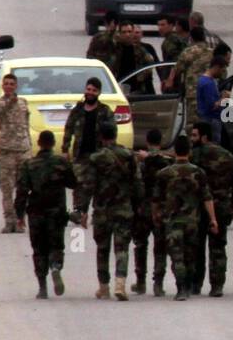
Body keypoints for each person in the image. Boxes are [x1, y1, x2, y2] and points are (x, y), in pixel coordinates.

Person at [72, 120, 142, 301]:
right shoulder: (128, 155)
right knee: (122, 248)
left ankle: (103, 287)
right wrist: (138, 206)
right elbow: (137, 184)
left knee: (102, 249)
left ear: (101, 137)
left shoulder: (96, 158)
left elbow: (88, 185)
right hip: (123, 208)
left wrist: (83, 210)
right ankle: (120, 284)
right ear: (116, 134)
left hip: (102, 210)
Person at [154, 135, 218, 302]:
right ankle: (188, 285)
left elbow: (156, 200)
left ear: (174, 151)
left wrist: (157, 217)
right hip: (192, 222)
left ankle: (181, 287)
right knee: (190, 255)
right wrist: (213, 219)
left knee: (177, 257)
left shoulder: (164, 174)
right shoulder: (198, 172)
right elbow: (207, 198)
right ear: (189, 152)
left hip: (173, 222)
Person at [15, 130, 76, 299]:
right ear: (53, 143)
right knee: (56, 246)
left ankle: (42, 287)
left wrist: (19, 216)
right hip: (56, 212)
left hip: (36, 212)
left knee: (39, 249)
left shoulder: (29, 165)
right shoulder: (61, 163)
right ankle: (56, 267)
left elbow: (21, 191)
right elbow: (73, 183)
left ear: (39, 143)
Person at [189, 121, 233, 297]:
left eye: (195, 135)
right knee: (218, 248)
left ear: (204, 137)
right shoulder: (226, 155)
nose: (192, 139)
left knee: (196, 249)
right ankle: (217, 285)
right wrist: (232, 204)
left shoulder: (193, 155)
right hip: (221, 208)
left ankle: (195, 285)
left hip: (197, 209)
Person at [133, 129, 174, 296]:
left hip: (143, 208)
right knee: (160, 247)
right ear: (161, 140)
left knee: (140, 245)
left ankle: (140, 282)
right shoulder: (167, 161)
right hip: (161, 209)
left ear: (147, 141)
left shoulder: (141, 161)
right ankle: (158, 284)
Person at [0, 72, 31, 233]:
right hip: (7, 150)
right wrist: (11, 101)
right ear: (2, 86)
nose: (8, 86)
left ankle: (20, 219)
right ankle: (9, 221)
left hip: (23, 149)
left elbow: (26, 124)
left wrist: (30, 146)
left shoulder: (23, 103)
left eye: (11, 84)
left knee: (23, 189)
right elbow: (2, 112)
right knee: (7, 189)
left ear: (16, 86)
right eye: (6, 84)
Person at [62, 77, 110, 207]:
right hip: (80, 155)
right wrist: (65, 150)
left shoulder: (105, 111)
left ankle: (97, 211)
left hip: (99, 154)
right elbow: (68, 129)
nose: (90, 92)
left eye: (94, 90)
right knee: (79, 185)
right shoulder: (77, 110)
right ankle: (78, 211)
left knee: (99, 185)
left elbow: (112, 132)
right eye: (88, 89)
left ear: (99, 93)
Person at [167, 26, 214, 129]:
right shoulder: (212, 53)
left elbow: (177, 69)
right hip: (209, 94)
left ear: (191, 38)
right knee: (208, 123)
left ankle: (193, 143)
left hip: (193, 93)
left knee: (192, 125)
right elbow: (222, 72)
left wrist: (169, 83)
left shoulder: (188, 52)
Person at [196, 58, 229, 144]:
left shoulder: (204, 80)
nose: (222, 73)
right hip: (211, 121)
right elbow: (212, 106)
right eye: (222, 70)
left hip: (205, 118)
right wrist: (224, 98)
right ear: (217, 67)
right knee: (214, 146)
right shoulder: (208, 84)